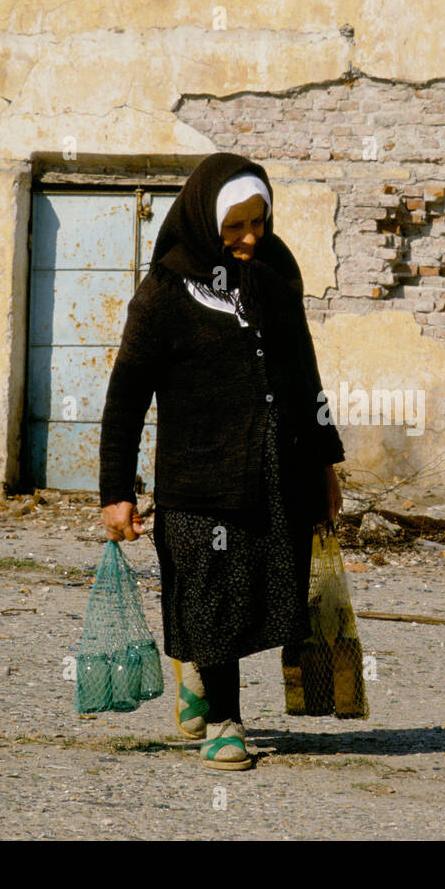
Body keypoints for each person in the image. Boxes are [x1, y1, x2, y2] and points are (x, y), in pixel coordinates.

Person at [98, 153, 344, 771]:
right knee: (208, 593)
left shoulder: (276, 272)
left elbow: (304, 370)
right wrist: (115, 490)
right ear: (207, 219)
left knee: (259, 593)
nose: (250, 237)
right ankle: (226, 722)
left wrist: (325, 462)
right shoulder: (164, 290)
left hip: (274, 471)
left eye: (259, 222)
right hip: (196, 479)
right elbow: (126, 395)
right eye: (235, 225)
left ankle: (196, 672)